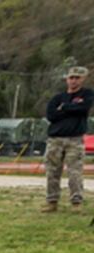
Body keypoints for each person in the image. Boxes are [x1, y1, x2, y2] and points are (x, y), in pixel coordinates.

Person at [41, 65, 91, 212]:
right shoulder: (57, 98)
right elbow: (51, 115)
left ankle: (76, 202)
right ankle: (52, 201)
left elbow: (83, 108)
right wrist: (71, 108)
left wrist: (63, 108)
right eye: (71, 78)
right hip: (55, 139)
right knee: (52, 172)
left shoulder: (87, 94)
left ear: (82, 79)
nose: (73, 81)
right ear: (67, 79)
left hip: (74, 140)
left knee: (75, 172)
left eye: (77, 78)